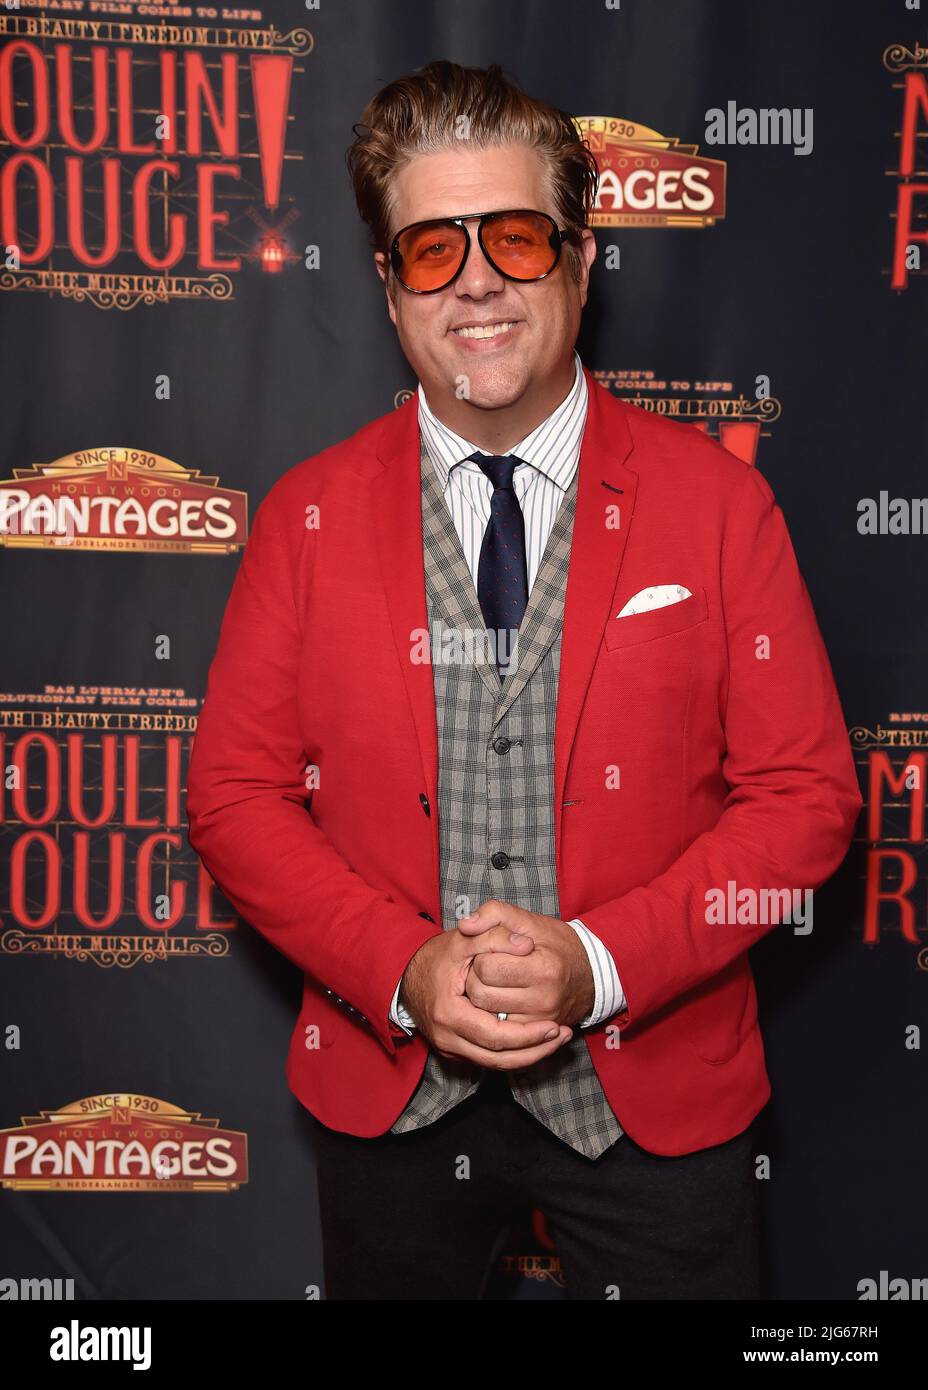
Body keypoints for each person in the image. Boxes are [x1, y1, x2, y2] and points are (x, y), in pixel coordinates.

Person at [186, 60, 862, 1299]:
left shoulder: (718, 506)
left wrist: (600, 963)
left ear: (582, 259)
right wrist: (403, 968)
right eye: (432, 251)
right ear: (390, 291)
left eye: (513, 236)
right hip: (390, 1102)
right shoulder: (306, 516)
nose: (479, 280)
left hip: (652, 1098)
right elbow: (234, 795)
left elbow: (804, 797)